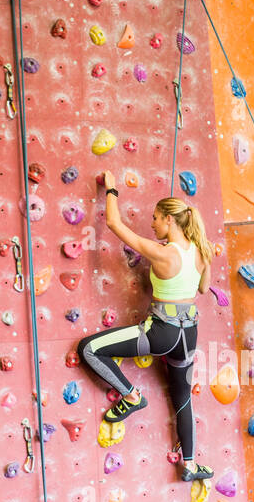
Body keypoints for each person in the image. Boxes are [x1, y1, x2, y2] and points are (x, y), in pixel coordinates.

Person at [78, 172, 215, 481]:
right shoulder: (200, 252)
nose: (152, 224)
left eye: (155, 218)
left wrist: (111, 188)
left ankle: (131, 395)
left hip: (161, 332)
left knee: (89, 349)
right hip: (188, 334)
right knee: (182, 398)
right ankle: (190, 465)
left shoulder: (163, 252)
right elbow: (204, 289)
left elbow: (114, 225)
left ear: (169, 220)